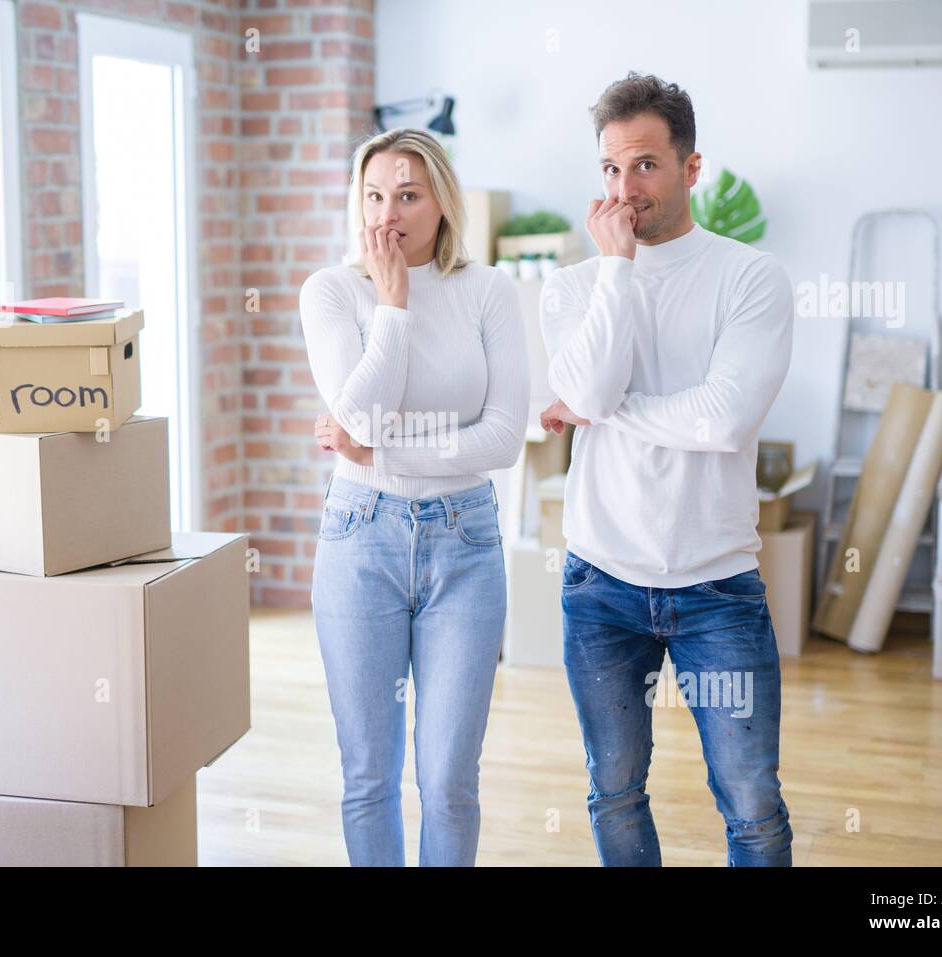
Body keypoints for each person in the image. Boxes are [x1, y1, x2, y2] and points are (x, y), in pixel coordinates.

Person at [540, 72, 795, 866]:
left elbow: (722, 421)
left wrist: (609, 413)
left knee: (752, 804)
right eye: (611, 169)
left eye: (645, 165)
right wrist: (616, 270)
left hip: (717, 585)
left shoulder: (750, 278)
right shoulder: (575, 286)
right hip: (602, 583)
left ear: (691, 168)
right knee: (614, 792)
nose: (626, 188)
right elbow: (581, 388)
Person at [299, 127, 530, 866]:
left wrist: (383, 450)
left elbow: (501, 437)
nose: (386, 215)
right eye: (373, 195)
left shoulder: (488, 290)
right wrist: (392, 306)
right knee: (368, 776)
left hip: (465, 540)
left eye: (407, 195)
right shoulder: (333, 290)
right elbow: (356, 416)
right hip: (359, 536)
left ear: (441, 203)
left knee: (449, 779)